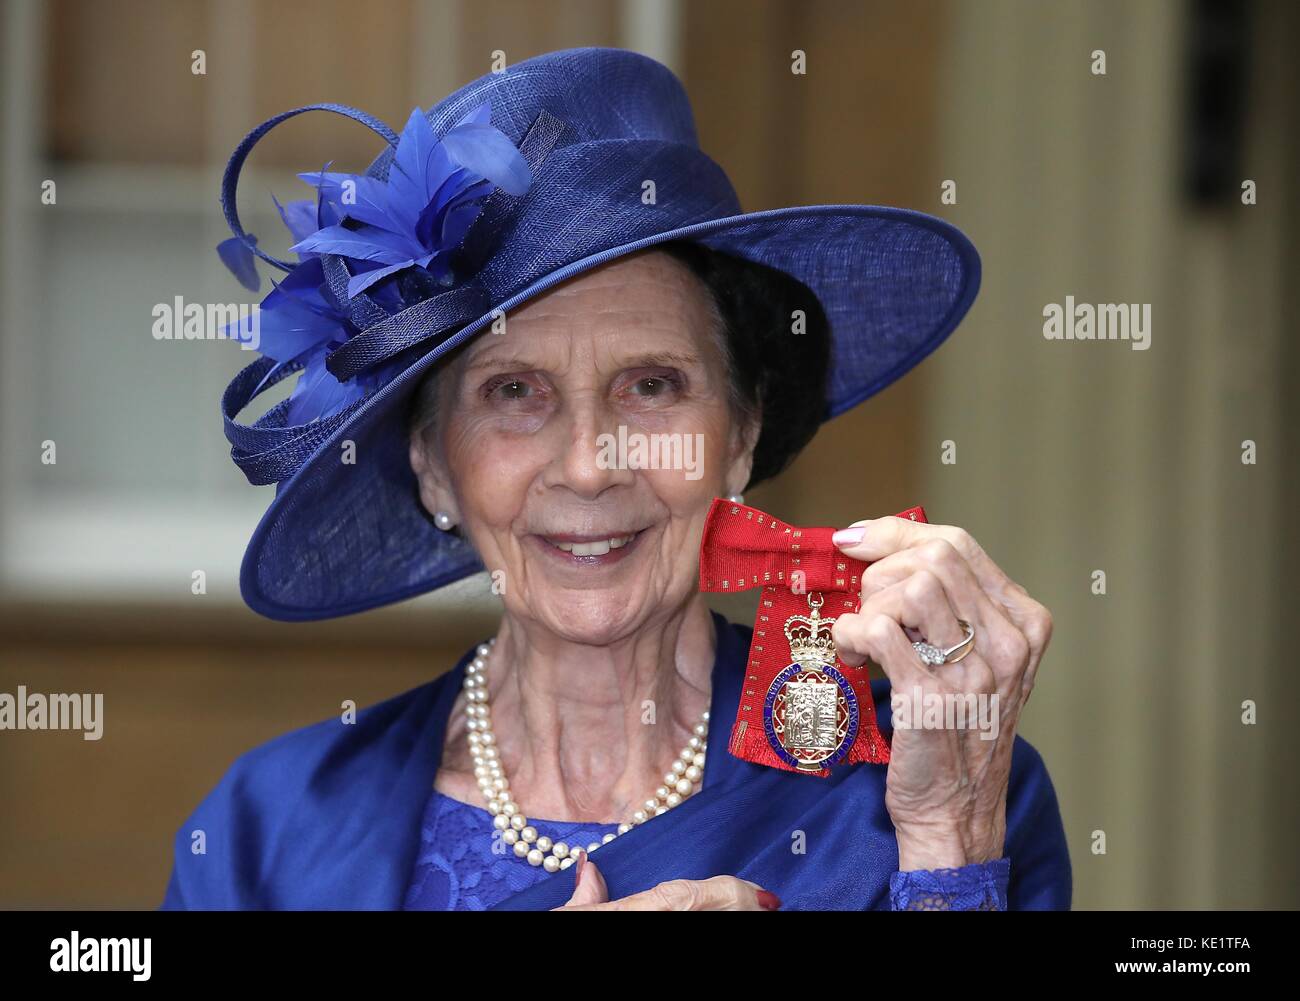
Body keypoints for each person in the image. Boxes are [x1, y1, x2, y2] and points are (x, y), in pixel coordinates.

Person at [162, 47, 1070, 911]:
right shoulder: (272, 829)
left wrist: (949, 843)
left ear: (741, 435)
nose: (592, 466)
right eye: (515, 391)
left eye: (651, 385)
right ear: (434, 464)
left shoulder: (927, 782)